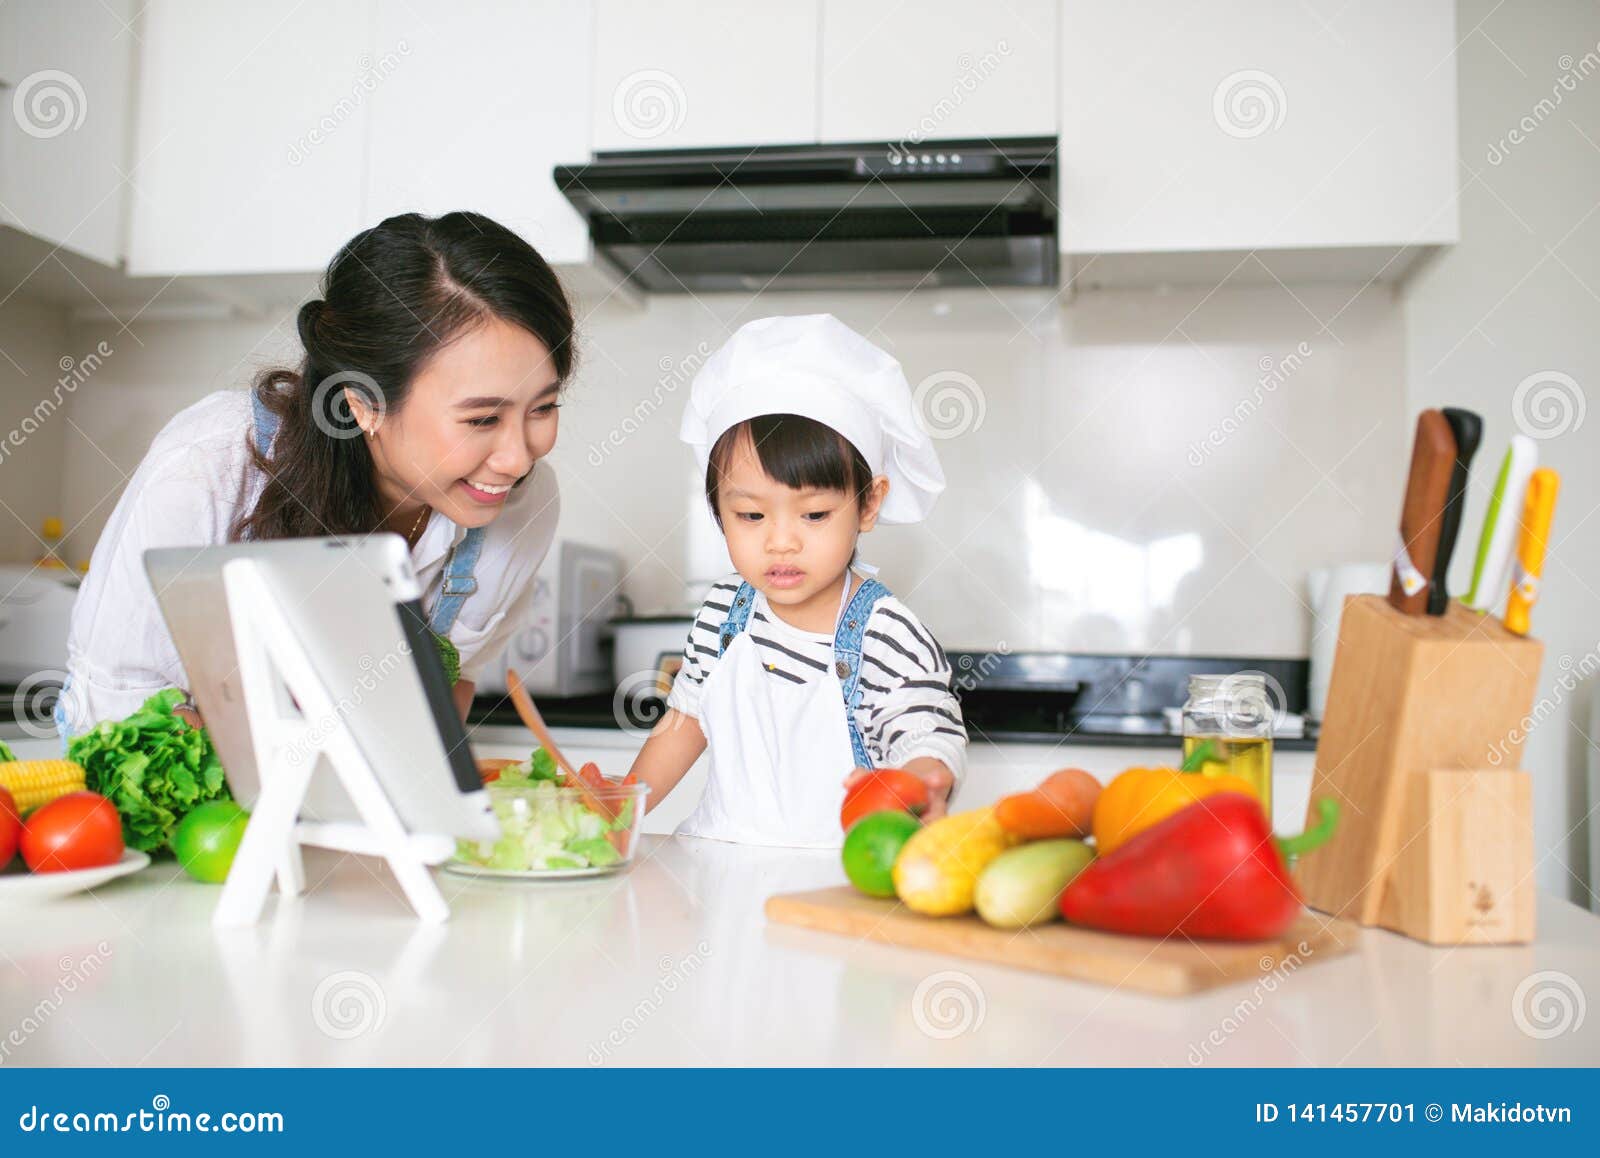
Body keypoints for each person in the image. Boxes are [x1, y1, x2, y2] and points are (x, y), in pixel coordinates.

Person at [57, 211, 573, 747]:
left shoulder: (522, 507)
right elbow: (116, 707)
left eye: (544, 407)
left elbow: (448, 690)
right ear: (363, 404)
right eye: (482, 419)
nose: (517, 459)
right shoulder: (208, 465)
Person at [627, 314, 967, 848]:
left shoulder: (885, 631)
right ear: (717, 508)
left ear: (868, 503)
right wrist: (620, 807)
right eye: (751, 516)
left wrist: (926, 776)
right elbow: (687, 718)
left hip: (838, 883)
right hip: (717, 867)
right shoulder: (722, 613)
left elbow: (923, 731)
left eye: (813, 515)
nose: (780, 542)